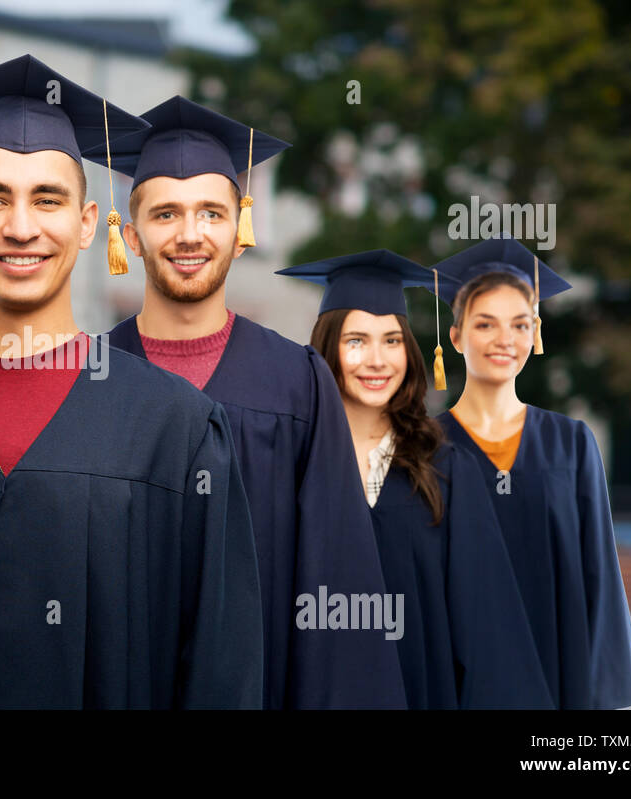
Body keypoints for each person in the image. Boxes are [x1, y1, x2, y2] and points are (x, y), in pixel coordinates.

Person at [0, 56, 263, 709]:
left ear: (85, 224)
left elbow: (222, 671)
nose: (21, 226)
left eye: (47, 199)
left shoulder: (177, 428)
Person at [92, 97, 405, 708]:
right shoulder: (87, 381)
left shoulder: (297, 383)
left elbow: (335, 573)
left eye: (212, 213)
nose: (190, 234)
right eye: (165, 215)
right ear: (130, 235)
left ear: (240, 231)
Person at [279, 249, 552, 708]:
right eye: (357, 341)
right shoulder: (291, 464)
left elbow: (487, 622)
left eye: (391, 340)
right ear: (328, 349)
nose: (377, 359)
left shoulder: (446, 467)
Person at [429, 237, 631, 709]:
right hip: (456, 685)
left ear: (535, 333)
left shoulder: (571, 443)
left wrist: (600, 692)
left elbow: (599, 574)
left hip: (558, 679)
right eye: (485, 324)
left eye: (520, 324)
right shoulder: (421, 448)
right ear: (458, 335)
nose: (505, 339)